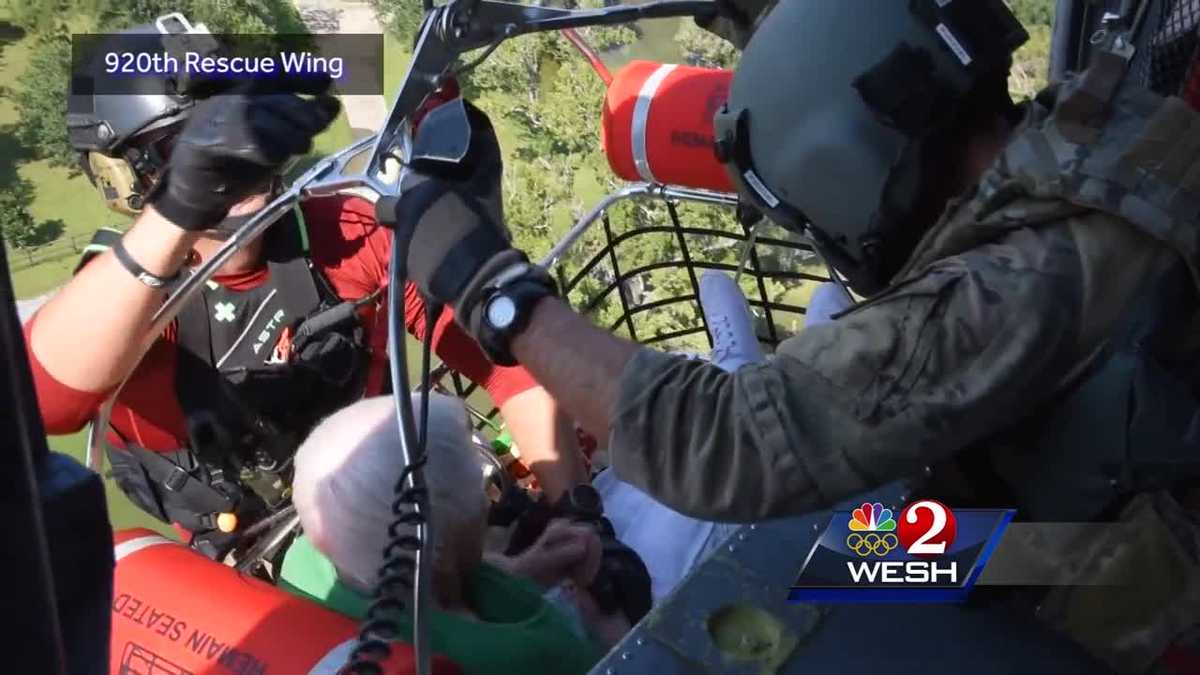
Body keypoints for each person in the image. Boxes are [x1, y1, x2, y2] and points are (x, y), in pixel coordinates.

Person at [378, 1, 1200, 671]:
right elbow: (871, 58)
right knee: (845, 541)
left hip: (1139, 585)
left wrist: (491, 285)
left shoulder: (1007, 290)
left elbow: (725, 442)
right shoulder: (1100, 132)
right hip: (1113, 502)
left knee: (825, 560)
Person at [22, 17, 586, 557]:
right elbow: (46, 402)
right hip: (257, 560)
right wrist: (179, 212)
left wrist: (578, 516)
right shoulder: (126, 299)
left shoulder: (345, 233)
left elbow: (505, 367)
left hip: (389, 497)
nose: (231, 161)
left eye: (234, 124)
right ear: (128, 179)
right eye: (187, 146)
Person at [280, 394, 623, 675]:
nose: (488, 502)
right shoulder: (527, 653)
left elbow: (438, 585)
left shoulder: (303, 564)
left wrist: (521, 569)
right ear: (438, 553)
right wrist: (603, 615)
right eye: (479, 492)